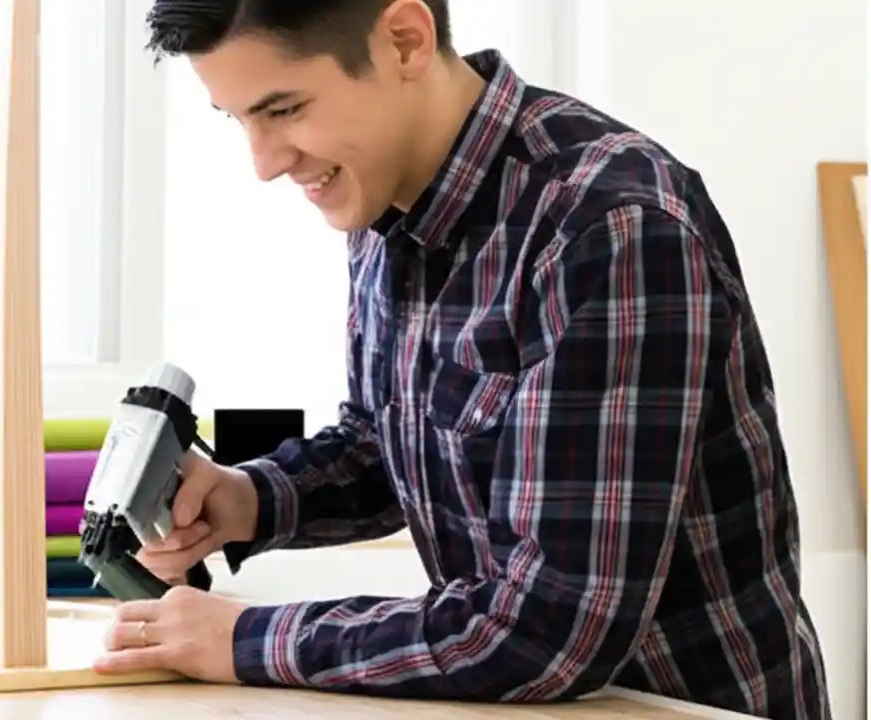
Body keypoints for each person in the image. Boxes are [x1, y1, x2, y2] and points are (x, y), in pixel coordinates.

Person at [91, 1, 831, 718]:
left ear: (405, 41)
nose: (265, 163)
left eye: (284, 110)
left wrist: (245, 640)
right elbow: (391, 440)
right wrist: (249, 498)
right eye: (238, 119)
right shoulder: (381, 197)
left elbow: (547, 629)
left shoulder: (608, 227)